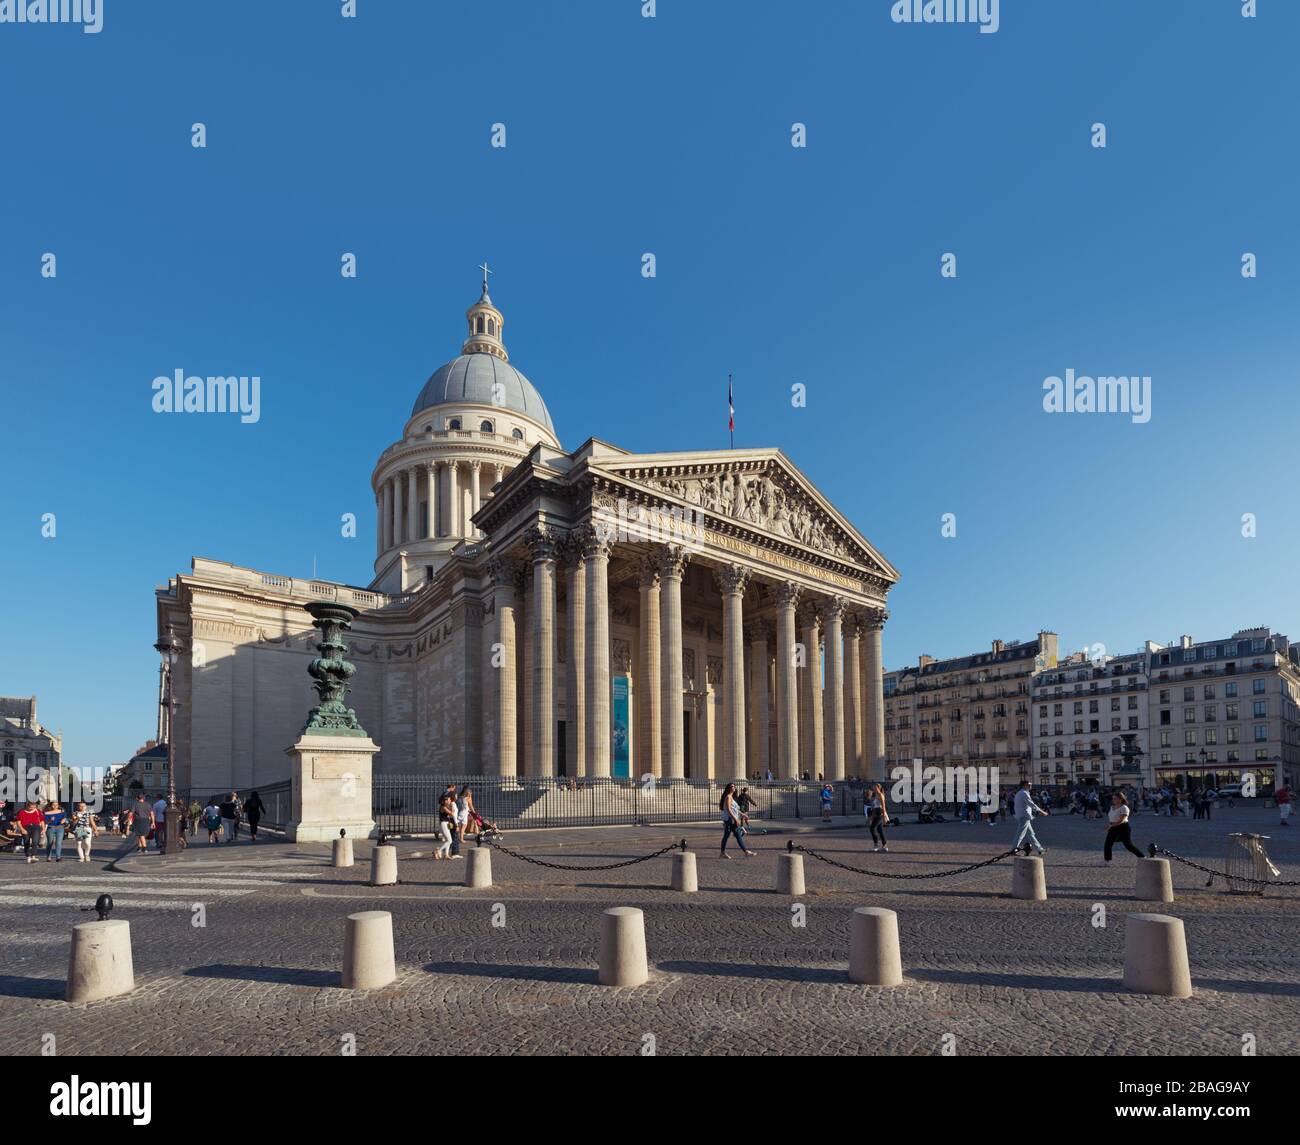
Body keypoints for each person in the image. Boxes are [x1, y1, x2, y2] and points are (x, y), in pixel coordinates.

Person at [1103, 792, 1144, 861]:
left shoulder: (1124, 808)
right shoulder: (1112, 807)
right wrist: (1110, 825)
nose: (1113, 800)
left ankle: (1142, 857)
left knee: (1128, 845)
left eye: (1115, 799)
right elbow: (1112, 817)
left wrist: (1109, 826)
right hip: (1113, 827)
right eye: (1113, 799)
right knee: (1107, 844)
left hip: (1123, 827)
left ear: (1121, 799)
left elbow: (1121, 821)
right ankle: (1107, 861)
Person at [1011, 780, 1048, 855]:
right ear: (1024, 785)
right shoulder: (1024, 793)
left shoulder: (1019, 793)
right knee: (1020, 834)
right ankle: (1013, 850)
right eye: (1029, 784)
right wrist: (1041, 811)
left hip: (1022, 815)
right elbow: (1031, 804)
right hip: (1024, 816)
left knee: (1031, 834)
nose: (1031, 786)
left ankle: (1039, 849)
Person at [719, 782, 755, 858]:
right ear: (729, 788)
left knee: (735, 835)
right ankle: (745, 852)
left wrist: (743, 814)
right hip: (729, 820)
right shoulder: (728, 797)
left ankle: (745, 852)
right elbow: (728, 809)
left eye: (734, 786)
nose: (734, 787)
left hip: (731, 819)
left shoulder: (732, 797)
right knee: (729, 836)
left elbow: (735, 809)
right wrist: (736, 819)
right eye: (732, 786)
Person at [16, 800, 45, 864]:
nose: (33, 808)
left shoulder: (37, 811)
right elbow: (18, 822)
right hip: (25, 827)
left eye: (34, 807)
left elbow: (42, 820)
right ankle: (28, 856)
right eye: (31, 807)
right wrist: (22, 829)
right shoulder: (21, 812)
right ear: (27, 806)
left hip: (36, 827)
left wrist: (43, 829)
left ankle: (33, 856)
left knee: (35, 841)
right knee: (26, 842)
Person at [865, 782, 889, 853]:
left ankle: (876, 845)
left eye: (875, 788)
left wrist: (884, 815)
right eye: (873, 788)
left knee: (872, 828)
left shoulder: (880, 795)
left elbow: (883, 806)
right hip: (876, 812)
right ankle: (885, 846)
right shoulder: (876, 795)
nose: (873, 789)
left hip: (879, 813)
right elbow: (874, 806)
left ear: (879, 788)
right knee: (880, 830)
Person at [434, 791, 455, 860]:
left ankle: (446, 855)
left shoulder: (445, 806)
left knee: (447, 840)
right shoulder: (443, 807)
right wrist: (452, 807)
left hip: (445, 824)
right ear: (445, 801)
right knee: (449, 841)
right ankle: (439, 850)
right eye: (448, 799)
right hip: (443, 824)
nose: (450, 800)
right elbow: (451, 814)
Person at [455, 786, 473, 852]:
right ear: (468, 792)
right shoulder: (468, 798)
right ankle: (461, 838)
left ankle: (460, 838)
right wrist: (474, 813)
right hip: (465, 813)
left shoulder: (461, 797)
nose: (471, 793)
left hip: (460, 812)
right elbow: (471, 806)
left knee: (457, 824)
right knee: (463, 826)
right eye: (470, 792)